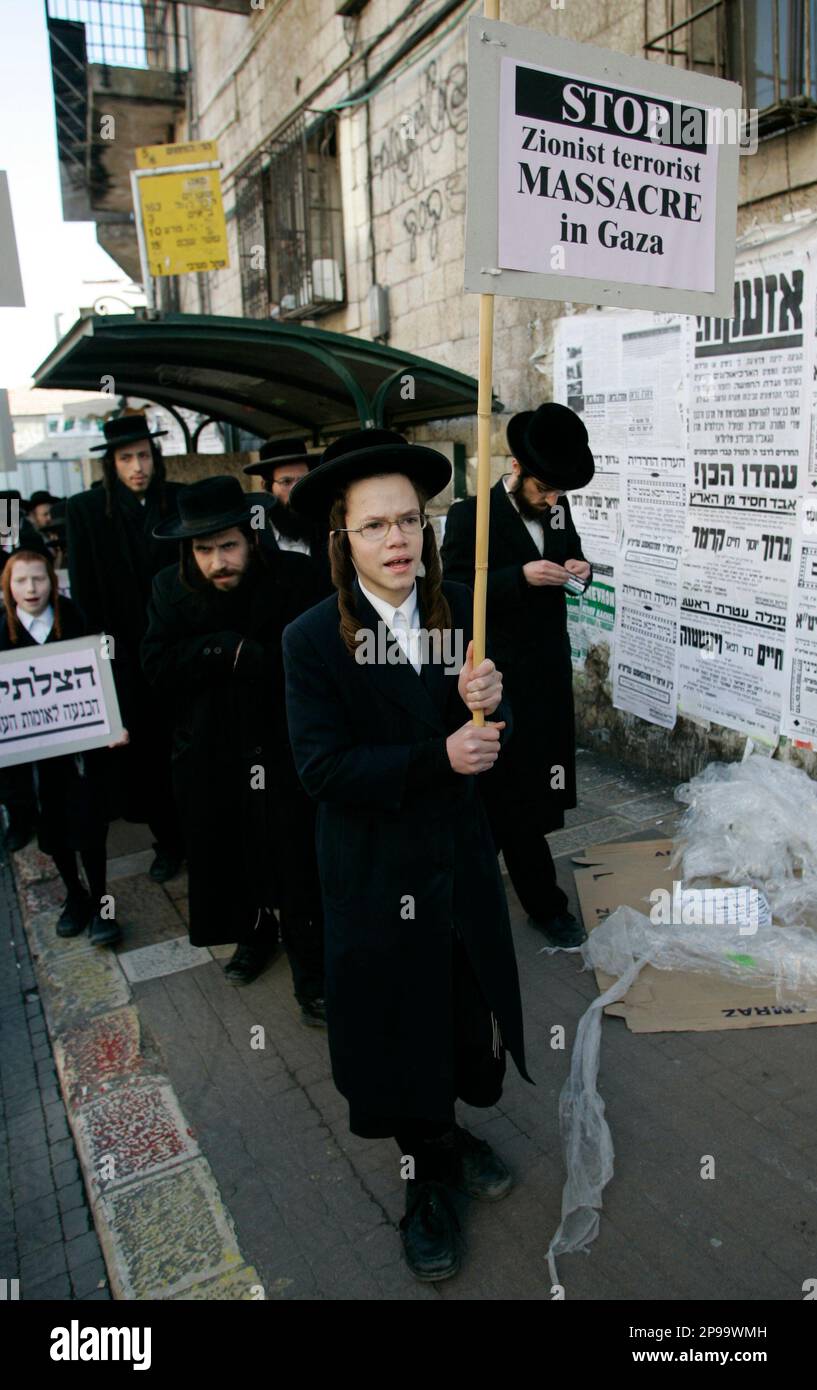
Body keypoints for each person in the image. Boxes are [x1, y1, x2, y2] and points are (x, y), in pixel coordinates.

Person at [282, 428, 532, 1283]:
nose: (397, 541)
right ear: (342, 539)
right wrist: (437, 757)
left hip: (455, 865)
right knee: (396, 1036)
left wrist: (492, 706)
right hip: (374, 876)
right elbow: (320, 768)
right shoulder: (312, 639)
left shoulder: (458, 609)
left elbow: (496, 740)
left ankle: (450, 1129)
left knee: (463, 1021)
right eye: (375, 526)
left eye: (410, 521)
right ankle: (425, 1182)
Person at [141, 476, 326, 1017]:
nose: (217, 561)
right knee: (232, 856)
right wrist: (221, 650)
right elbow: (155, 665)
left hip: (284, 748)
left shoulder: (294, 578)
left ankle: (312, 972)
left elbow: (320, 651)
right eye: (203, 550)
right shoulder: (167, 590)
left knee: (297, 861)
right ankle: (253, 939)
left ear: (250, 537)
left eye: (227, 546)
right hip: (212, 757)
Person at [442, 402, 594, 951]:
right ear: (516, 468)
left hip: (546, 675)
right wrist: (518, 577)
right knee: (495, 800)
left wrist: (582, 569)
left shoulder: (557, 507)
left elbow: (571, 554)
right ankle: (491, 906)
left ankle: (542, 904)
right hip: (491, 681)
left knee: (531, 797)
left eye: (560, 493)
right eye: (546, 489)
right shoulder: (469, 516)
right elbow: (453, 591)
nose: (553, 501)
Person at [66, 415, 185, 882]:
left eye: (144, 455)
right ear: (111, 463)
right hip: (125, 655)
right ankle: (167, 840)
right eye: (127, 458)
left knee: (186, 744)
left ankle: (196, 832)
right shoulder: (88, 510)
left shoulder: (175, 500)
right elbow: (86, 590)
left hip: (177, 645)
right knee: (144, 753)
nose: (138, 466)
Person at [0, 547, 125, 945]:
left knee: (89, 826)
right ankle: (76, 896)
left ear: (52, 581)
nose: (31, 588)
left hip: (80, 753)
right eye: (21, 580)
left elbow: (107, 663)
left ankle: (103, 901)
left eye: (38, 578)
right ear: (8, 587)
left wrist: (113, 719)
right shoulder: (1, 632)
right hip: (35, 760)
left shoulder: (77, 617)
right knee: (52, 831)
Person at [243, 438, 331, 587]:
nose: (297, 490)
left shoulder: (328, 524)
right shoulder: (254, 529)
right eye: (286, 482)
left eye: (303, 480)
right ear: (266, 486)